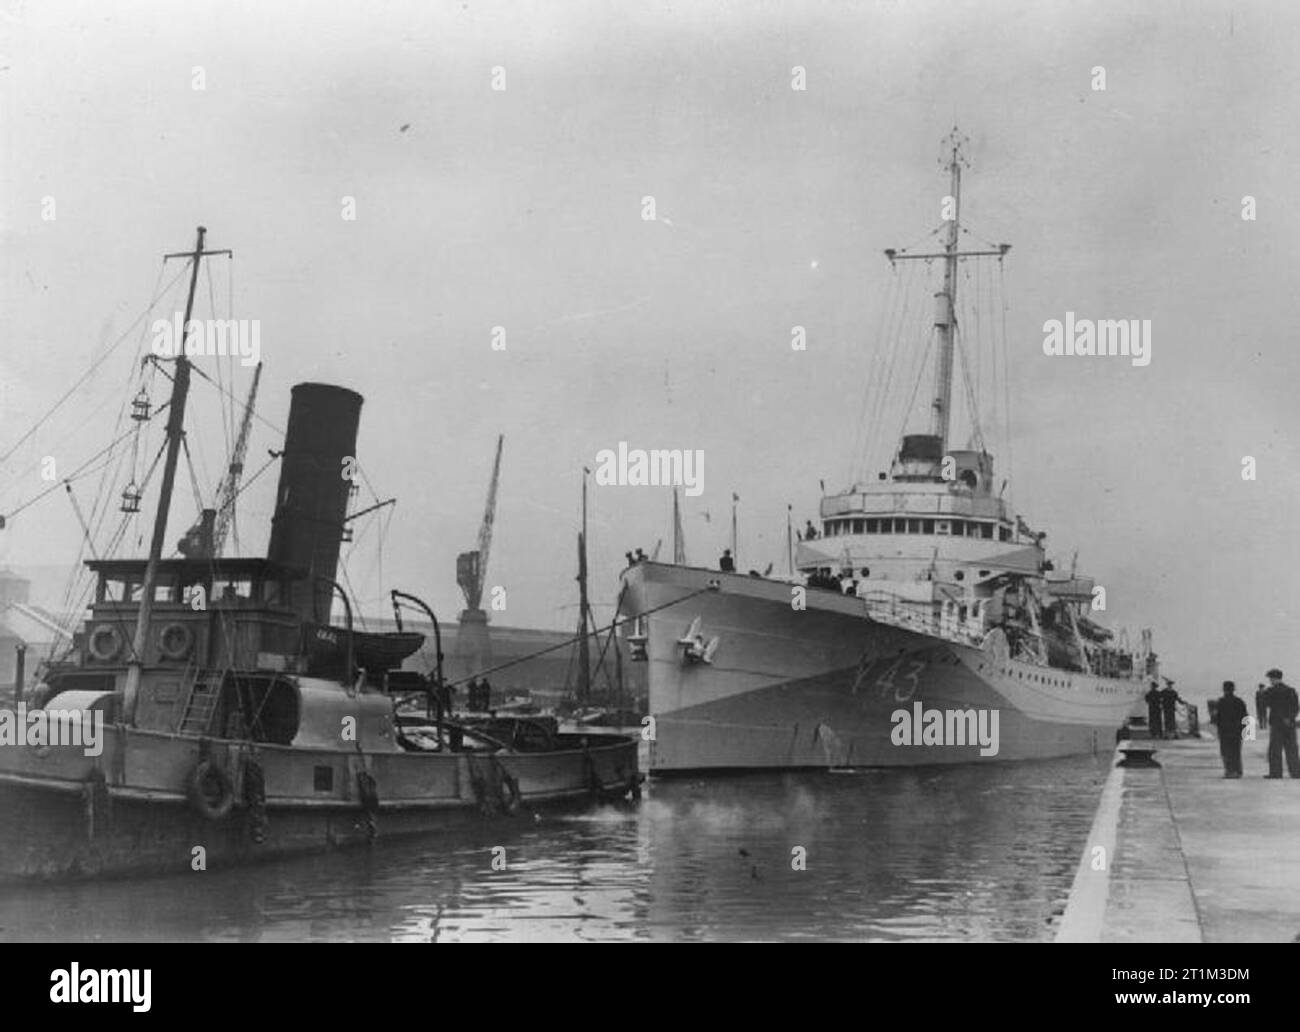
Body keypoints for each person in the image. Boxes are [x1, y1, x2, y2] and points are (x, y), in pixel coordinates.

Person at [1261, 668, 1300, 778]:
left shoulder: (1270, 691)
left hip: (1277, 724)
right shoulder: (1290, 690)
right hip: (1289, 725)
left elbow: (1264, 704)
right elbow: (1296, 707)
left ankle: (1276, 773)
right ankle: (1296, 772)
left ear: (1273, 678)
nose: (1270, 681)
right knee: (1292, 749)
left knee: (1275, 750)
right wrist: (1289, 717)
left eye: (1270, 678)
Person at [1213, 681, 1247, 778]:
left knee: (1226, 752)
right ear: (1233, 689)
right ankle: (1238, 771)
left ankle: (1229, 771)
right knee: (1236, 752)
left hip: (1224, 731)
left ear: (1224, 689)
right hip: (1236, 731)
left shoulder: (1220, 702)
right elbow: (1245, 716)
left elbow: (1216, 718)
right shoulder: (1239, 701)